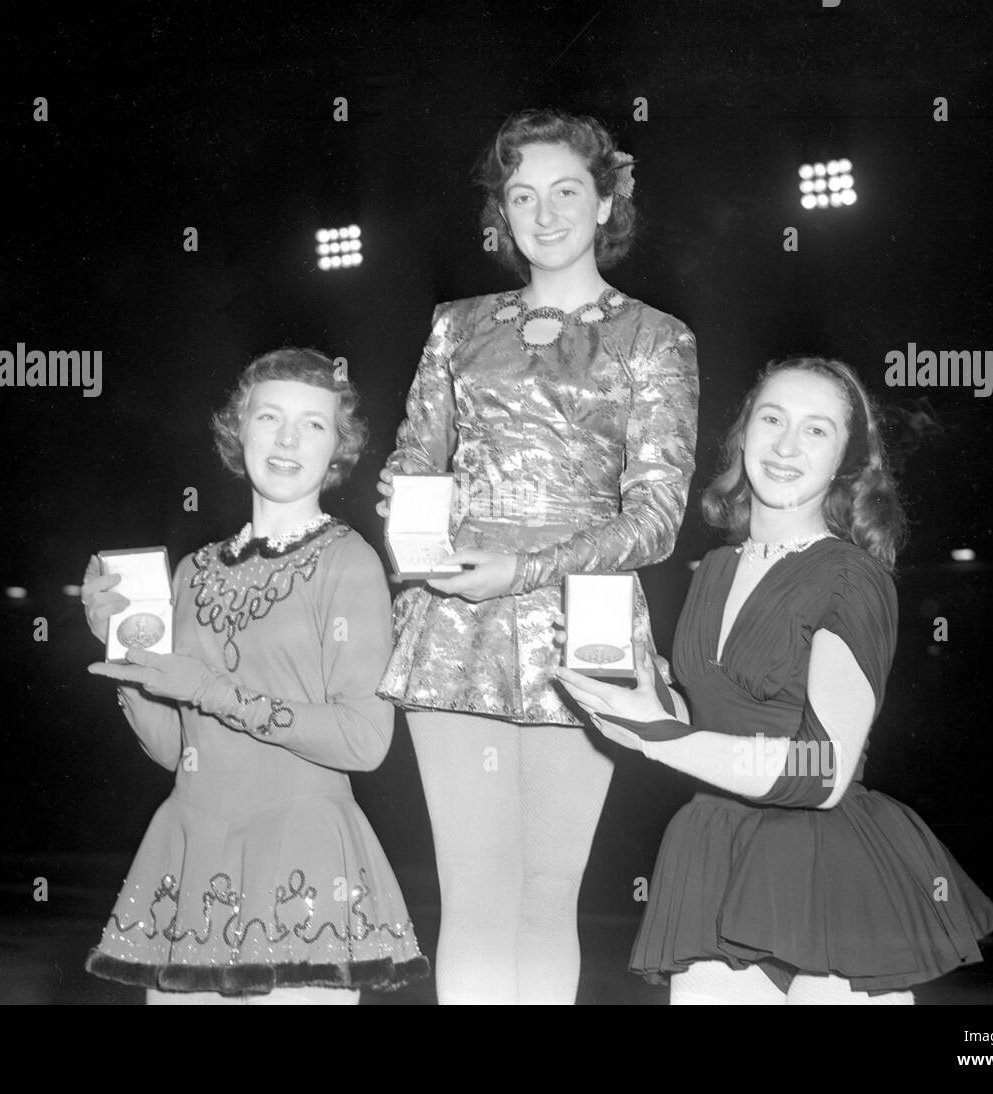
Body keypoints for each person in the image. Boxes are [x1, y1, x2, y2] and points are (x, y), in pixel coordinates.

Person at [375, 109, 699, 1004]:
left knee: (549, 893)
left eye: (566, 193)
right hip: (455, 626)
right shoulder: (457, 326)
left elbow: (658, 518)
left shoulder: (657, 339)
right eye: (523, 195)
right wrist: (415, 530)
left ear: (606, 204)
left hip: (581, 626)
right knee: (473, 895)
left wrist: (522, 568)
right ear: (502, 213)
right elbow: (411, 465)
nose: (544, 214)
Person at [555, 356, 993, 1005]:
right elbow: (713, 720)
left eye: (817, 430)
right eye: (773, 418)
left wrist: (655, 738)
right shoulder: (713, 568)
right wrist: (655, 701)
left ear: (848, 463)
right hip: (713, 851)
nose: (787, 445)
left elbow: (821, 773)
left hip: (827, 868)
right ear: (742, 434)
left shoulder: (852, 577)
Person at [80, 348, 429, 1005]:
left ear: (339, 447)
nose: (289, 439)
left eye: (314, 425)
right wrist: (123, 653)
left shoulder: (348, 562)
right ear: (238, 429)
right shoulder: (191, 572)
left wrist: (208, 687)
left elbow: (365, 739)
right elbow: (172, 749)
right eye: (270, 417)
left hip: (302, 856)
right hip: (191, 851)